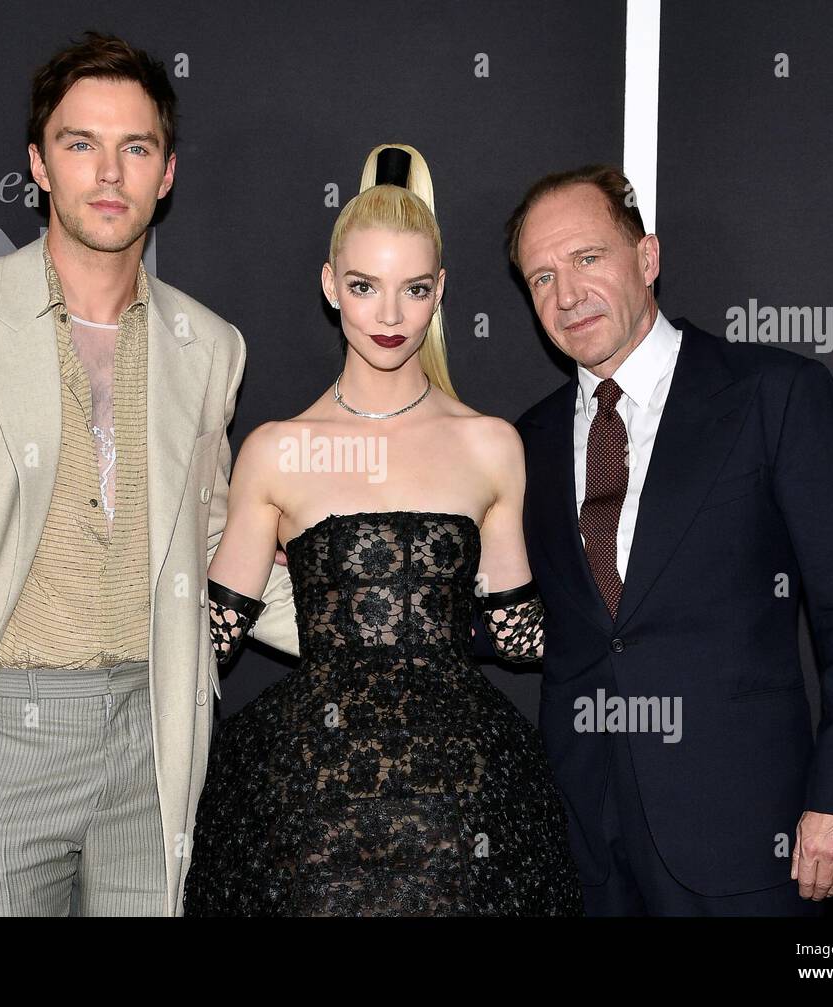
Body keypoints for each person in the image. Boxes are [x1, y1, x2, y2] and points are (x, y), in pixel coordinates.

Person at [0, 30, 298, 917]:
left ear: (165, 174)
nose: (109, 172)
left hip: (151, 738)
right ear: (38, 164)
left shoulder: (207, 346)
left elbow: (214, 540)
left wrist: (381, 623)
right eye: (80, 143)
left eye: (136, 148)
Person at [180, 144, 584, 916]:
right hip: (311, 805)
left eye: (414, 289)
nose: (391, 316)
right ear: (332, 286)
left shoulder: (491, 443)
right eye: (366, 287)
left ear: (440, 294)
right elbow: (213, 636)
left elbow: (519, 634)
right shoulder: (274, 448)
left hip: (459, 800)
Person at [507, 164, 833, 915]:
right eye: (540, 277)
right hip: (586, 845)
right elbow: (511, 611)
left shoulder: (775, 394)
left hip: (753, 838)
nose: (566, 294)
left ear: (648, 258)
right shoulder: (521, 441)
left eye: (588, 258)